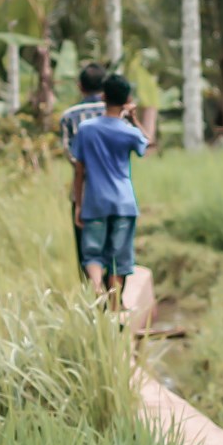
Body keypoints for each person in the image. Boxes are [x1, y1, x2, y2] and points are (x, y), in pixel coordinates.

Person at [70, 73, 151, 301]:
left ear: (103, 96)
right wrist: (134, 119)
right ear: (127, 99)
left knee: (92, 253)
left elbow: (79, 170)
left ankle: (97, 288)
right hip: (124, 202)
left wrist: (79, 204)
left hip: (95, 200)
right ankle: (115, 305)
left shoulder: (86, 129)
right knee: (119, 258)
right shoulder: (129, 132)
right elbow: (148, 142)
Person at [59, 62, 107, 266]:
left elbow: (69, 153)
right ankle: (112, 286)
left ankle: (91, 284)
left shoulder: (69, 116)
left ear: (80, 86)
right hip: (115, 189)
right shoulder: (116, 112)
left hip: (83, 190)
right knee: (114, 248)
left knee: (86, 251)